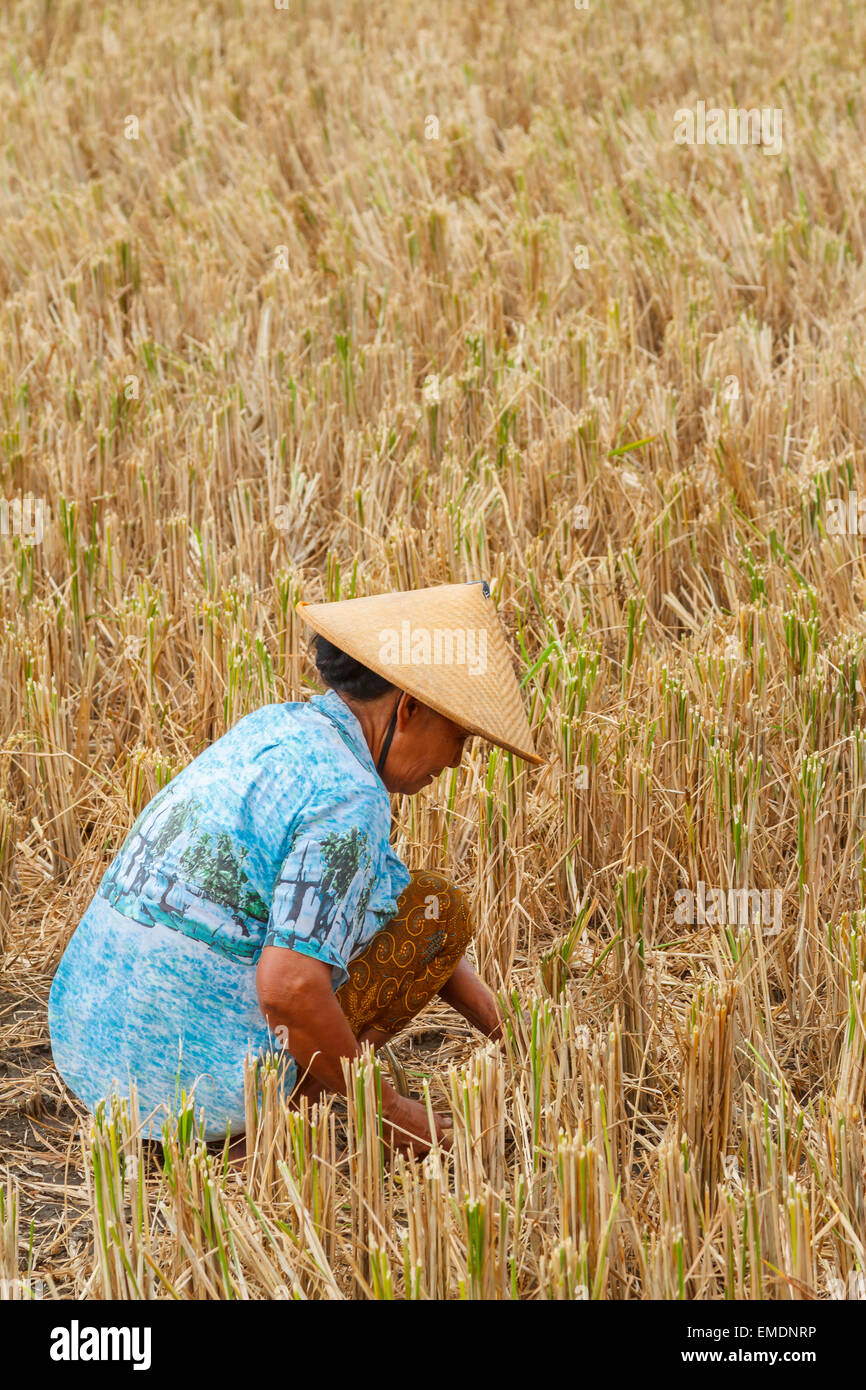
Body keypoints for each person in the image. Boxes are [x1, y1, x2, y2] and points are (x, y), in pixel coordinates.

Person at [48, 581, 542, 1154]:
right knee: (436, 908)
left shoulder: (280, 729)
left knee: (432, 910)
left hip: (93, 1055)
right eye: (458, 738)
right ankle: (255, 1130)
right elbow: (287, 990)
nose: (457, 760)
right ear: (408, 709)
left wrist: (517, 1035)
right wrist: (392, 1113)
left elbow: (400, 922)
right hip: (189, 1093)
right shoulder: (349, 796)